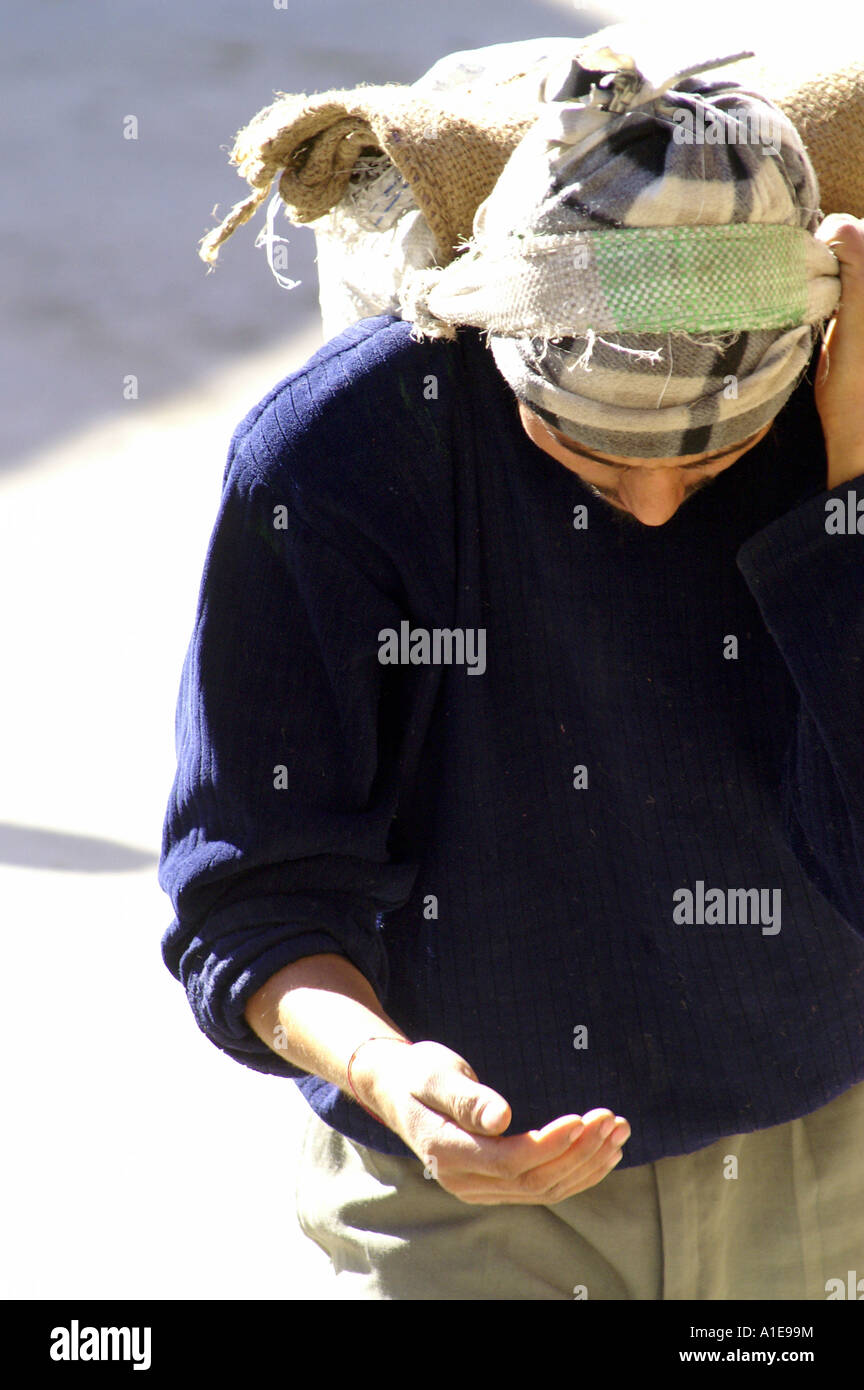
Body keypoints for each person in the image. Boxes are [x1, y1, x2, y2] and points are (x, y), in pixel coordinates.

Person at [158, 39, 864, 1299]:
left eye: (706, 467)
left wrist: (846, 507)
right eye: (585, 457)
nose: (649, 507)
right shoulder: (332, 461)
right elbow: (252, 898)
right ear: (498, 339)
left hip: (829, 1168)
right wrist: (392, 1077)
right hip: (461, 1203)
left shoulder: (834, 415)